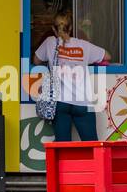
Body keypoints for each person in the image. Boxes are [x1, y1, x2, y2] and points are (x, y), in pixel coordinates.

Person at [34, 11, 109, 141]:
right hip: (82, 102)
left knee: (63, 148)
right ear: (71, 28)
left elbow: (36, 60)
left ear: (53, 28)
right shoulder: (84, 45)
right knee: (92, 146)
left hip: (60, 102)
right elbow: (107, 56)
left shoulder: (50, 42)